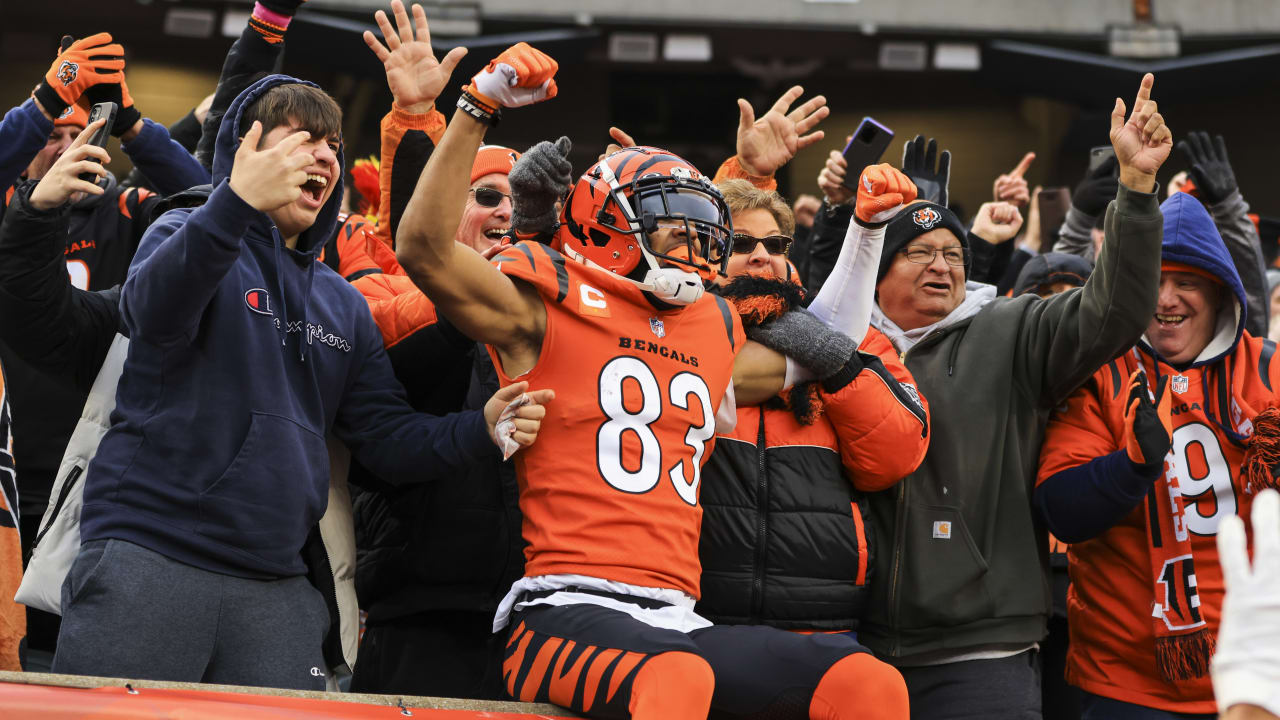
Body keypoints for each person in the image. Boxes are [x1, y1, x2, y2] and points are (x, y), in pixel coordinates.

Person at [396, 36, 912, 719]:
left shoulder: (711, 328)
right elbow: (423, 249)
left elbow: (830, 345)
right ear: (608, 224)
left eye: (703, 227)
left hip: (677, 616)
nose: (698, 244)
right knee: (673, 680)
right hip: (561, 608)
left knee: (865, 682)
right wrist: (478, 104)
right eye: (675, 226)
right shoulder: (545, 305)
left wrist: (867, 234)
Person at [49, 74, 551, 690]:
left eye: (334, 146)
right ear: (246, 148)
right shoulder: (179, 231)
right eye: (305, 137)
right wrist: (232, 202)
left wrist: (478, 428)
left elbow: (386, 440)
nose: (324, 154)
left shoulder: (340, 302)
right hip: (151, 555)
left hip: (277, 585)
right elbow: (150, 313)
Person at [805, 73, 1171, 718]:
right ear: (880, 270)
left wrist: (1136, 194)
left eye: (953, 252)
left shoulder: (1011, 330)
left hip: (982, 654)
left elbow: (1113, 311)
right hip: (852, 649)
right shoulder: (839, 345)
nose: (943, 266)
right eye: (919, 251)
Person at [0, 32, 208, 671]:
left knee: (87, 662)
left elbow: (209, 201)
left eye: (78, 133)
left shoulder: (124, 210)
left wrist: (135, 126)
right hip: (10, 470)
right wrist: (44, 99)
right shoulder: (7, 212)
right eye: (51, 137)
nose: (68, 147)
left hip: (97, 475)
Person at [1035, 189, 1280, 718]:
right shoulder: (1099, 373)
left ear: (1220, 294)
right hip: (1125, 680)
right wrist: (1130, 467)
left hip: (1258, 672)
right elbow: (1060, 510)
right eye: (1151, 282)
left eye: (1187, 282)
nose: (1166, 299)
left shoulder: (1269, 371)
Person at [696, 178, 929, 632]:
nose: (762, 254)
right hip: (693, 619)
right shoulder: (669, 332)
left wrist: (839, 363)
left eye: (776, 243)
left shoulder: (854, 338)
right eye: (740, 242)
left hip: (824, 622)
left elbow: (896, 455)